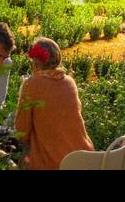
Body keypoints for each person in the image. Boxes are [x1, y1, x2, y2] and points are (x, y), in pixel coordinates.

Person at [14, 37, 94, 170]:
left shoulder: (32, 84)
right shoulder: (69, 82)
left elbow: (22, 131)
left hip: (53, 163)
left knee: (21, 160)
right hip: (83, 160)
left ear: (35, 61)